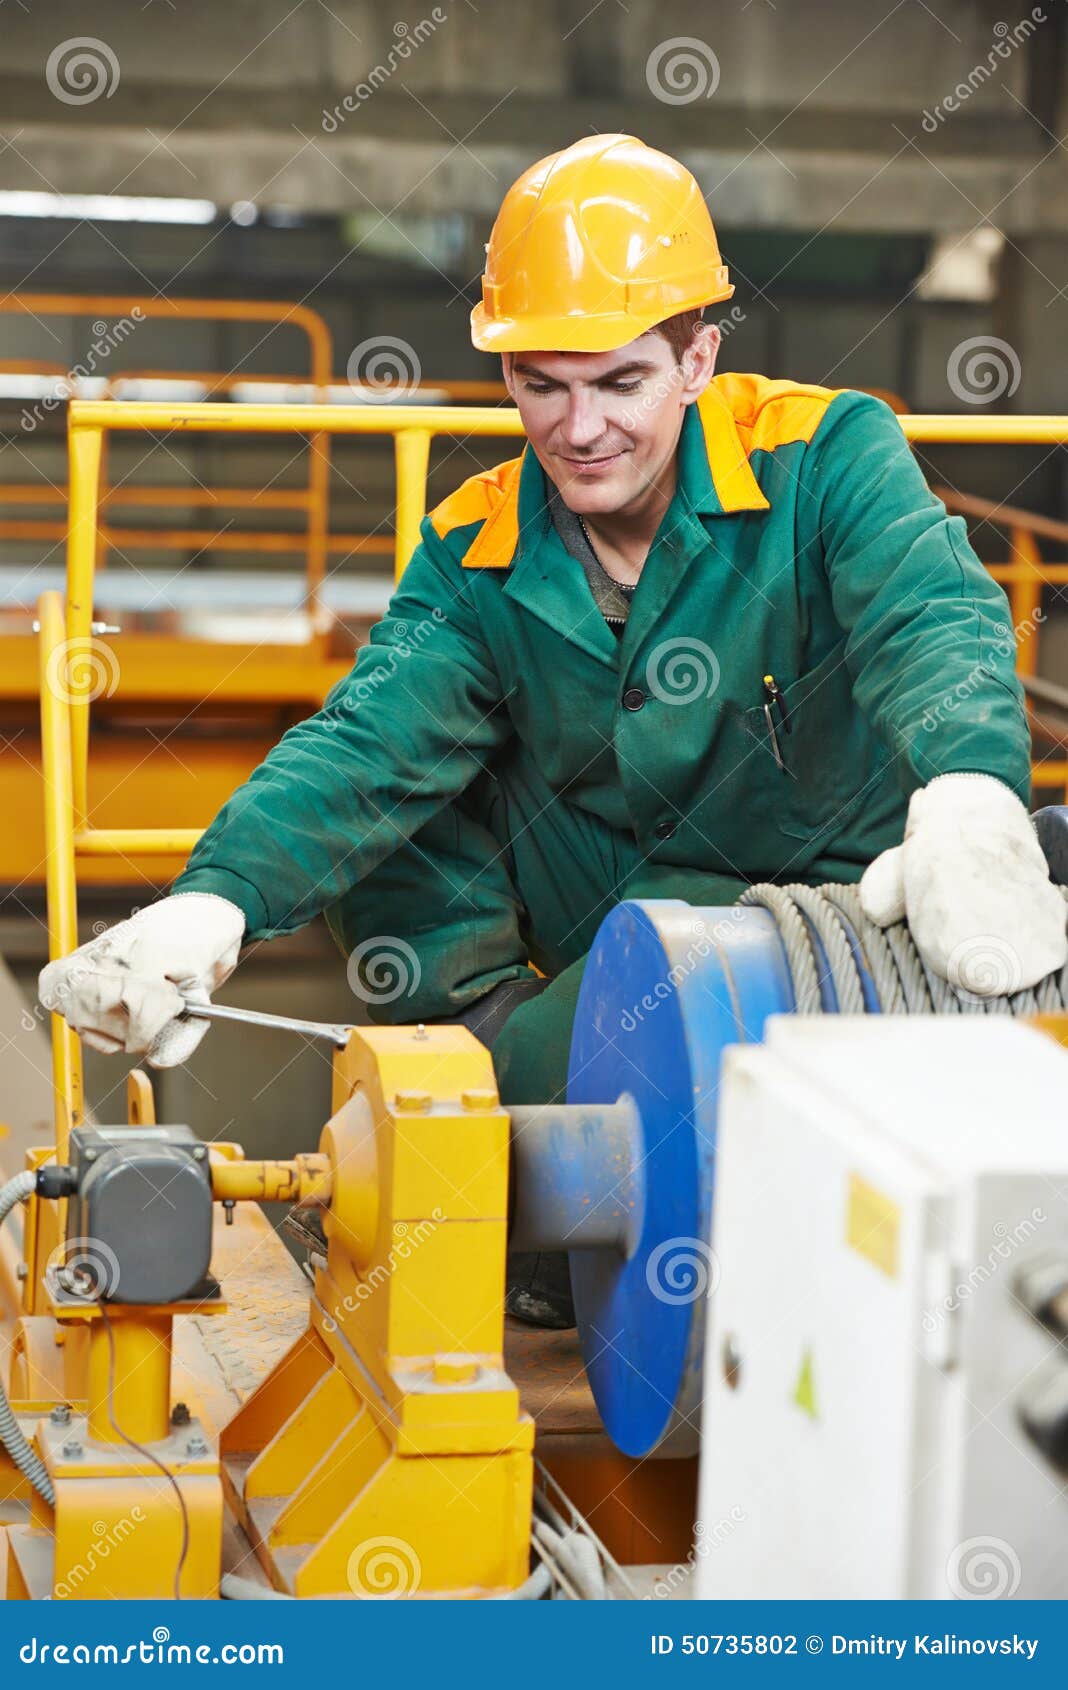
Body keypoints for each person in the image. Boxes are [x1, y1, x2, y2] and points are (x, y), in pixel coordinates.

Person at [39, 135, 1065, 1324]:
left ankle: (510, 1140)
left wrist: (973, 795)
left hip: (819, 894)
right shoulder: (477, 544)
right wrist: (207, 908)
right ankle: (487, 1062)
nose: (576, 429)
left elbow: (929, 615)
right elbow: (363, 745)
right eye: (541, 382)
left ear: (698, 358)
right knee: (393, 807)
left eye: (618, 382)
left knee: (548, 1101)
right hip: (601, 894)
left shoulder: (827, 456)